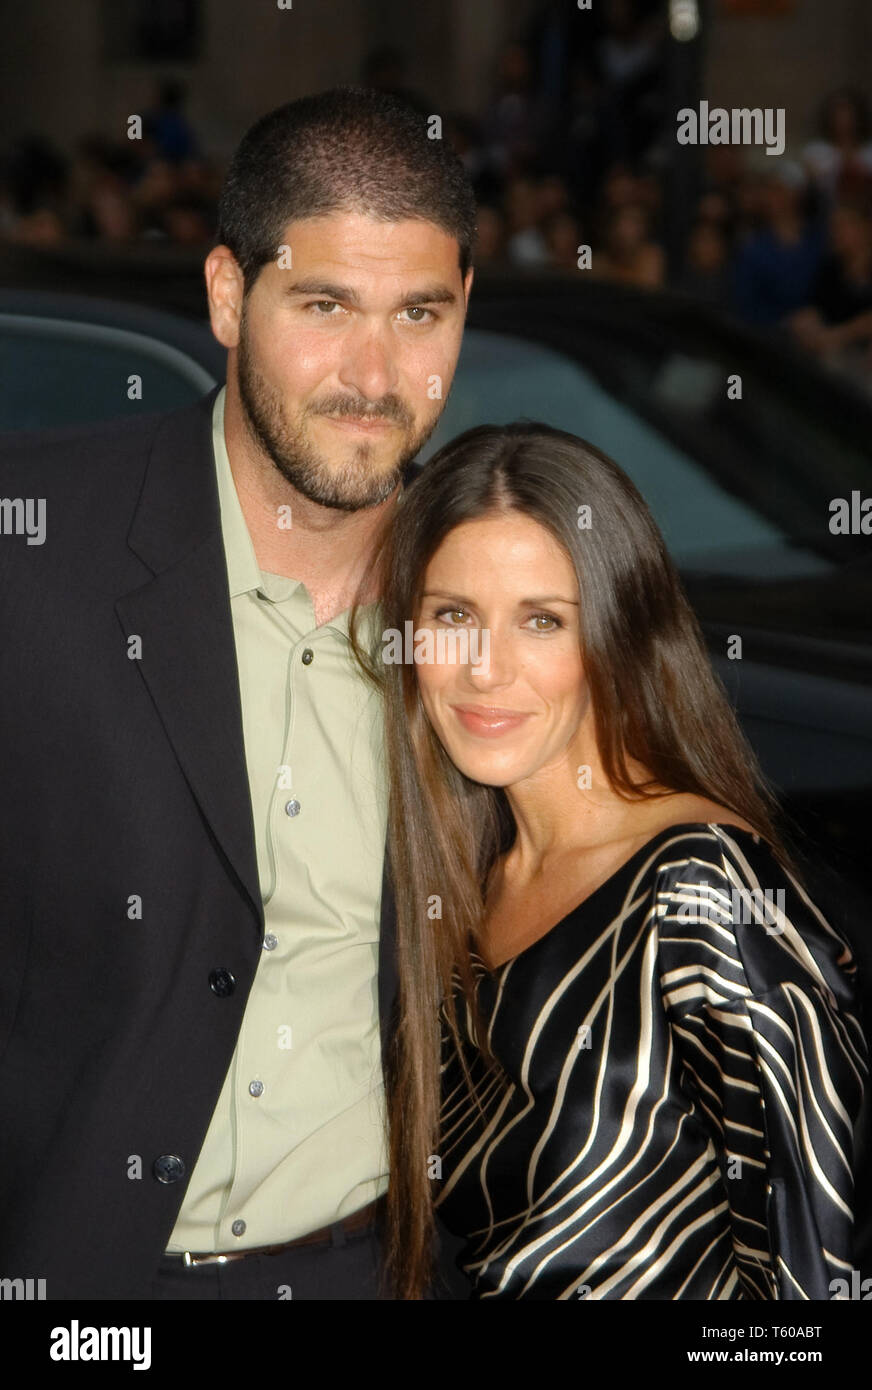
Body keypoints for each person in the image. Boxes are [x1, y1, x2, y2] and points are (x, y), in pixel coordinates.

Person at [0, 87, 476, 1301]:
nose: (373, 376)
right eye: (323, 306)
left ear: (462, 310)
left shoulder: (495, 604)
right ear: (226, 296)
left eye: (416, 313)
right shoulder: (33, 550)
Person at [349, 421, 868, 1299]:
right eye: (452, 616)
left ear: (618, 637)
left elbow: (815, 1284)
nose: (484, 669)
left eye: (542, 621)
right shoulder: (456, 886)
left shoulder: (701, 888)